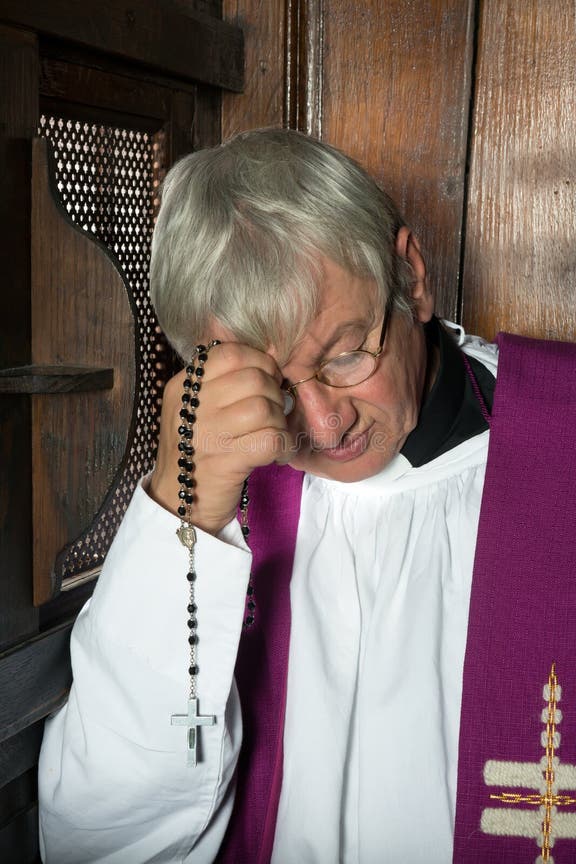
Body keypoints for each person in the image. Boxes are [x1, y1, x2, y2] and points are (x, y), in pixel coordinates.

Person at [37, 129, 575, 864]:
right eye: (277, 388)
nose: (324, 426)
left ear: (409, 278)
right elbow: (101, 838)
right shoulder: (212, 489)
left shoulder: (562, 438)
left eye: (347, 355)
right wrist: (179, 514)